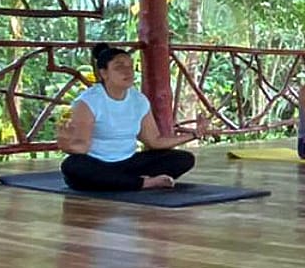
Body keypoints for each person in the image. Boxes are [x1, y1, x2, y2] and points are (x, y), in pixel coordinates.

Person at [57, 43, 199, 191]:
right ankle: (144, 183)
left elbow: (154, 141)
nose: (127, 72)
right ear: (104, 73)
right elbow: (83, 146)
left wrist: (194, 134)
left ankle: (123, 182)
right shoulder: (88, 102)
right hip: (97, 163)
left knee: (183, 159)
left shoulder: (139, 100)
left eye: (130, 66)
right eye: (119, 67)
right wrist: (66, 144)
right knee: (72, 166)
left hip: (129, 164)